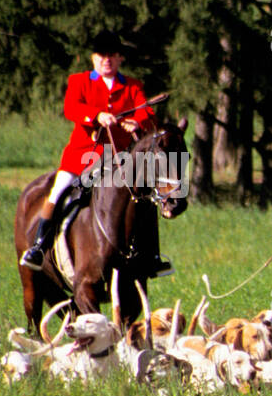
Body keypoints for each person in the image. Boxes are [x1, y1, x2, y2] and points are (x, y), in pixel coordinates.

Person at [20, 30, 171, 275]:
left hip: (120, 160)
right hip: (81, 158)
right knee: (58, 190)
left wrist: (137, 122)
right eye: (101, 56)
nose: (106, 60)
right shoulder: (79, 81)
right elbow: (71, 108)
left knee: (145, 197)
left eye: (112, 55)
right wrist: (96, 115)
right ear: (93, 58)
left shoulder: (133, 86)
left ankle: (152, 256)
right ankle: (38, 247)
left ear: (120, 58)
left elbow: (146, 112)